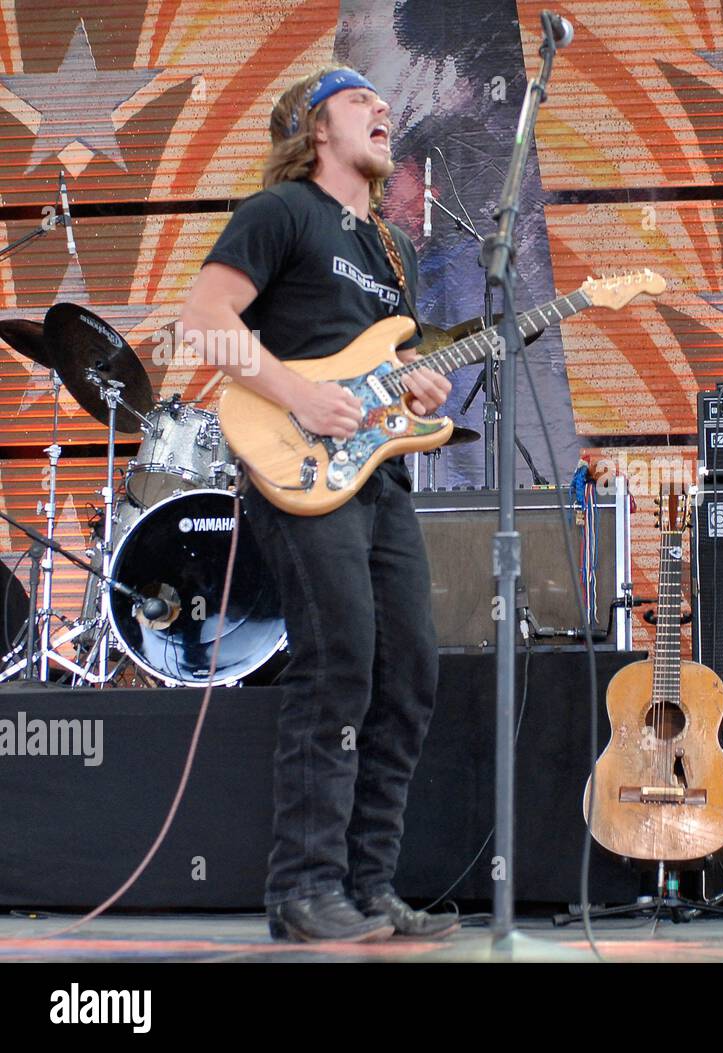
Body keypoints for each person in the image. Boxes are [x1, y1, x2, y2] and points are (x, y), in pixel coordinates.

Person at [179, 66, 455, 942]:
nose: (382, 108)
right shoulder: (281, 213)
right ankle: (303, 889)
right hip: (298, 467)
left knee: (408, 672)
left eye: (381, 101)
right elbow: (207, 319)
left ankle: (369, 888)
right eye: (358, 99)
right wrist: (297, 393)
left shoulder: (391, 248)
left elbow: (372, 365)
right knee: (338, 664)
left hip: (377, 475)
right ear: (314, 127)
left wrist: (412, 392)